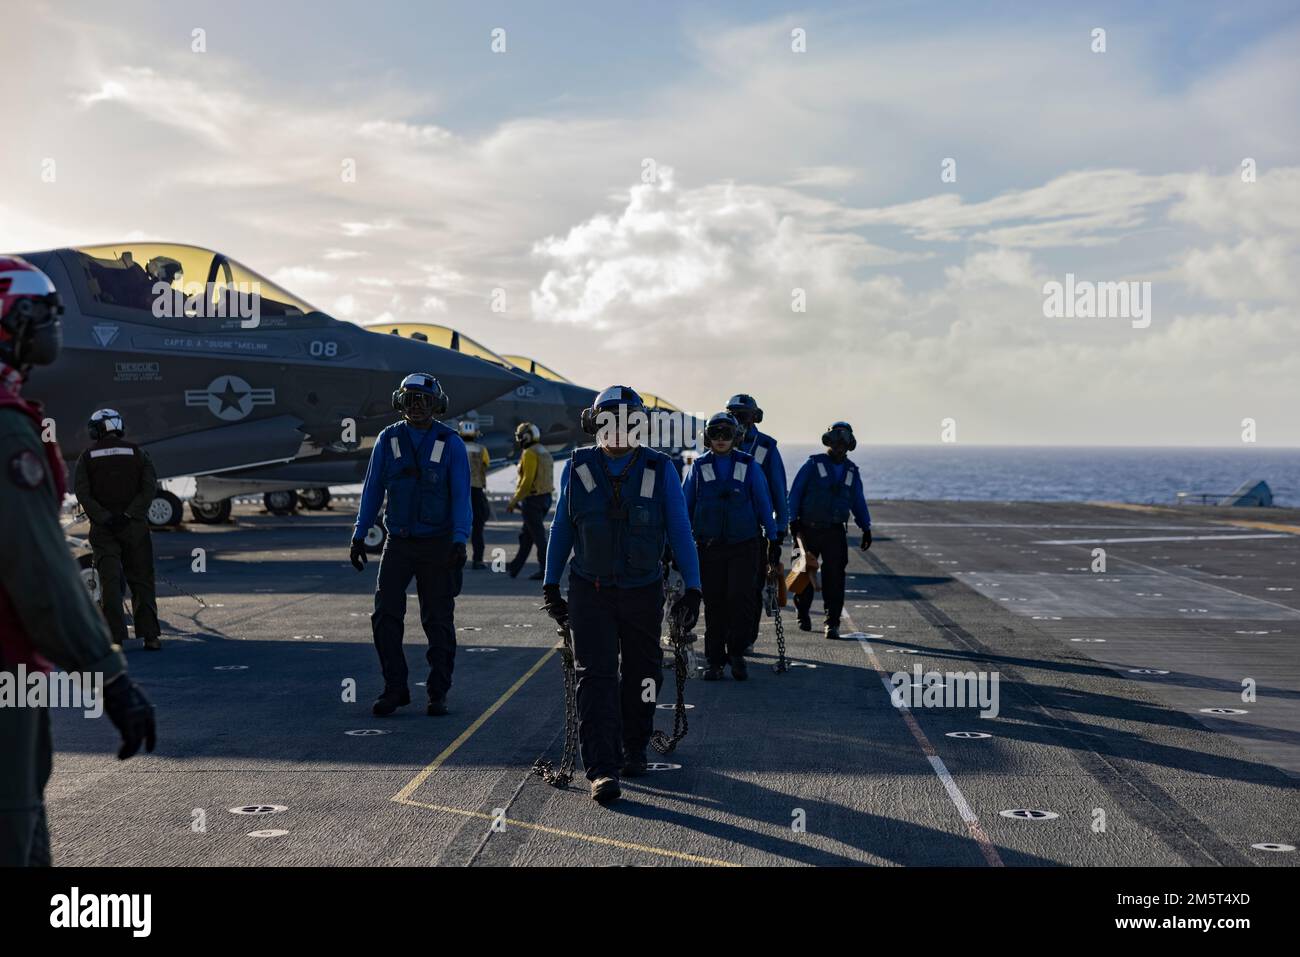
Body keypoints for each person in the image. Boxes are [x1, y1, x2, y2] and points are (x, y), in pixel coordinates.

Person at [0, 257, 156, 866]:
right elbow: (37, 570)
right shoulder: (11, 432)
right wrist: (109, 676)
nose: (52, 328)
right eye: (41, 314)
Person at [541, 386, 702, 805]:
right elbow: (562, 528)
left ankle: (635, 747)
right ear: (596, 424)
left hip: (642, 591)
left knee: (644, 674)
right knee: (594, 677)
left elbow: (680, 531)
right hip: (588, 591)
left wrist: (695, 587)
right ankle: (601, 768)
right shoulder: (577, 467)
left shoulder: (659, 468)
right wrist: (549, 582)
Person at [349, 373, 471, 717]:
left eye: (424, 401)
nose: (417, 407)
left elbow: (462, 495)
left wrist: (460, 539)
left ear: (437, 405)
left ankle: (438, 692)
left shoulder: (451, 444)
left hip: (439, 545)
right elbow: (373, 488)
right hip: (398, 544)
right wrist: (360, 534)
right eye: (411, 400)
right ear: (400, 403)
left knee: (438, 621)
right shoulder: (388, 440)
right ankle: (395, 688)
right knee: (385, 615)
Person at [682, 412, 779, 681]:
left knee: (740, 599)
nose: (721, 439)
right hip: (709, 548)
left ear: (736, 437)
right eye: (716, 434)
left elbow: (763, 502)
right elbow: (684, 507)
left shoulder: (749, 466)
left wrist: (773, 539)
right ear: (708, 438)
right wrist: (673, 544)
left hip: (744, 547)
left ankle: (736, 654)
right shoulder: (699, 467)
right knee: (714, 604)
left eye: (726, 433)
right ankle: (714, 661)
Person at [73, 409, 162, 650]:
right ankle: (151, 637)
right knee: (142, 581)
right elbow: (149, 488)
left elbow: (82, 492)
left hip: (104, 529)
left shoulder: (87, 457)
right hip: (134, 527)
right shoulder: (137, 453)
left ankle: (115, 638)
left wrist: (105, 517)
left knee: (110, 582)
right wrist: (129, 514)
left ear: (99, 429)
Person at [787, 421, 872, 640]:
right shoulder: (813, 464)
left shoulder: (852, 471)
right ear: (829, 440)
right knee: (803, 573)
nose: (840, 444)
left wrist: (866, 527)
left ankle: (831, 623)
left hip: (835, 532)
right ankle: (802, 612)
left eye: (845, 440)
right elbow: (795, 492)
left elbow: (858, 501)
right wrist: (792, 520)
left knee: (835, 578)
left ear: (850, 444)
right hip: (807, 530)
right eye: (836, 439)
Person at [726, 394, 788, 651]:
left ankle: (746, 639)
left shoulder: (765, 447)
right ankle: (725, 638)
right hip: (720, 530)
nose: (739, 418)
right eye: (734, 413)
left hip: (755, 531)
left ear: (755, 417)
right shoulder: (720, 440)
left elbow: (778, 488)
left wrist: (780, 529)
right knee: (721, 589)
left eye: (744, 414)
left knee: (751, 588)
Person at [506, 422, 554, 580]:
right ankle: (515, 566)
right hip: (545, 498)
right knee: (526, 536)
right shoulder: (543, 450)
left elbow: (527, 481)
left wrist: (514, 501)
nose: (519, 440)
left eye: (520, 437)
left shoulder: (529, 453)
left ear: (526, 436)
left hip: (532, 500)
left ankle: (545, 570)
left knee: (539, 537)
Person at [458, 421, 492, 570]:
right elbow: (486, 465)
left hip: (458, 491)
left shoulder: (456, 447)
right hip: (477, 490)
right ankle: (477, 560)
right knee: (478, 527)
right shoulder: (482, 449)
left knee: (455, 526)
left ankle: (455, 558)